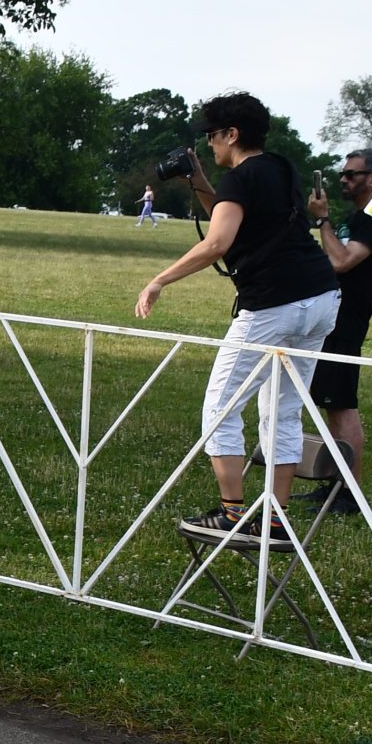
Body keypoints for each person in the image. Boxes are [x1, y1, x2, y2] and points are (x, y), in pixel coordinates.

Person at [134, 93, 341, 542]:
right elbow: (235, 217)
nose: (209, 143)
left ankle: (232, 512)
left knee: (220, 406)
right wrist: (203, 181)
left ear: (233, 134)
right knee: (283, 411)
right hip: (322, 296)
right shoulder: (283, 168)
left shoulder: (241, 178)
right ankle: (275, 519)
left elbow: (218, 242)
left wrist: (159, 280)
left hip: (273, 303)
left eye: (213, 135)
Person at [304, 150, 372, 499]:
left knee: (343, 404)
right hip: (331, 316)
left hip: (347, 321)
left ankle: (350, 491)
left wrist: (322, 221)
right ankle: (335, 482)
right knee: (332, 403)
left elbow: (343, 261)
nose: (344, 179)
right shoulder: (358, 217)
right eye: (343, 173)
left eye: (352, 174)